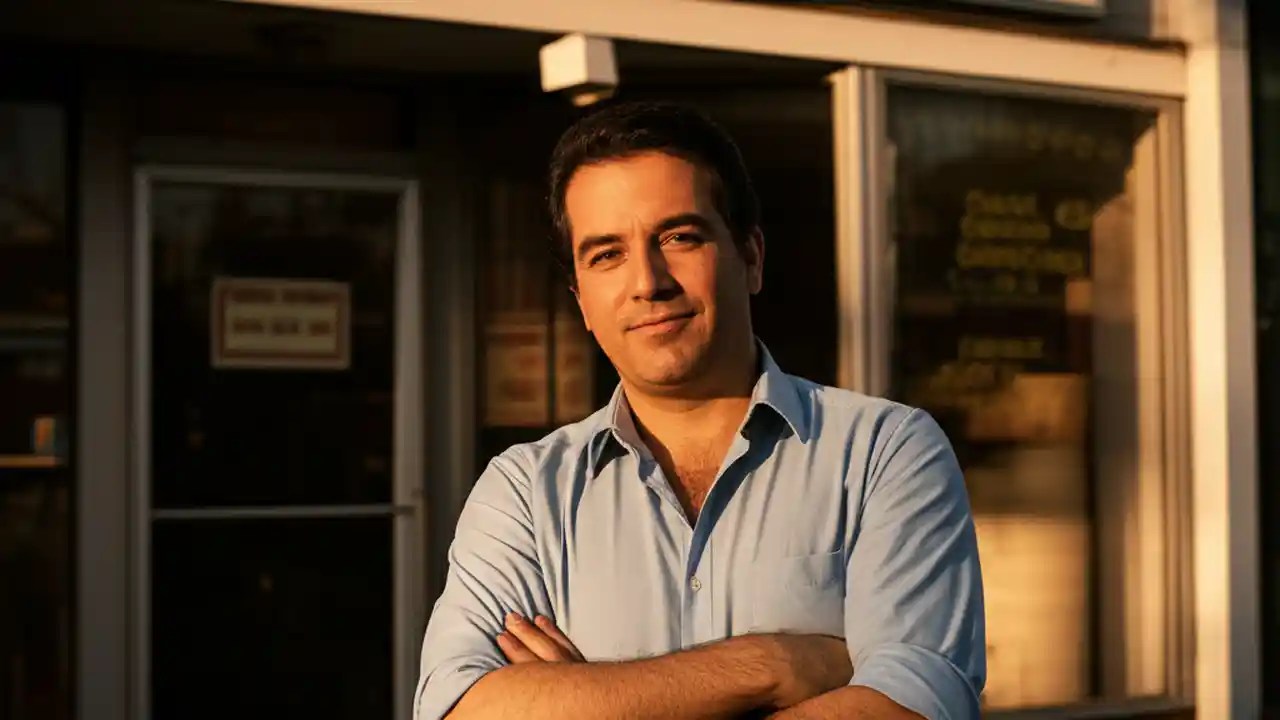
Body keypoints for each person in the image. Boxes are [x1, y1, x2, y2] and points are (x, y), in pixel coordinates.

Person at [413, 100, 985, 720]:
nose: (648, 282)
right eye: (607, 254)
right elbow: (458, 709)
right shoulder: (525, 493)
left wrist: (589, 700)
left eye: (679, 237)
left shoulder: (885, 453)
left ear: (751, 256)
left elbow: (911, 707)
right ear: (580, 299)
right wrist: (771, 665)